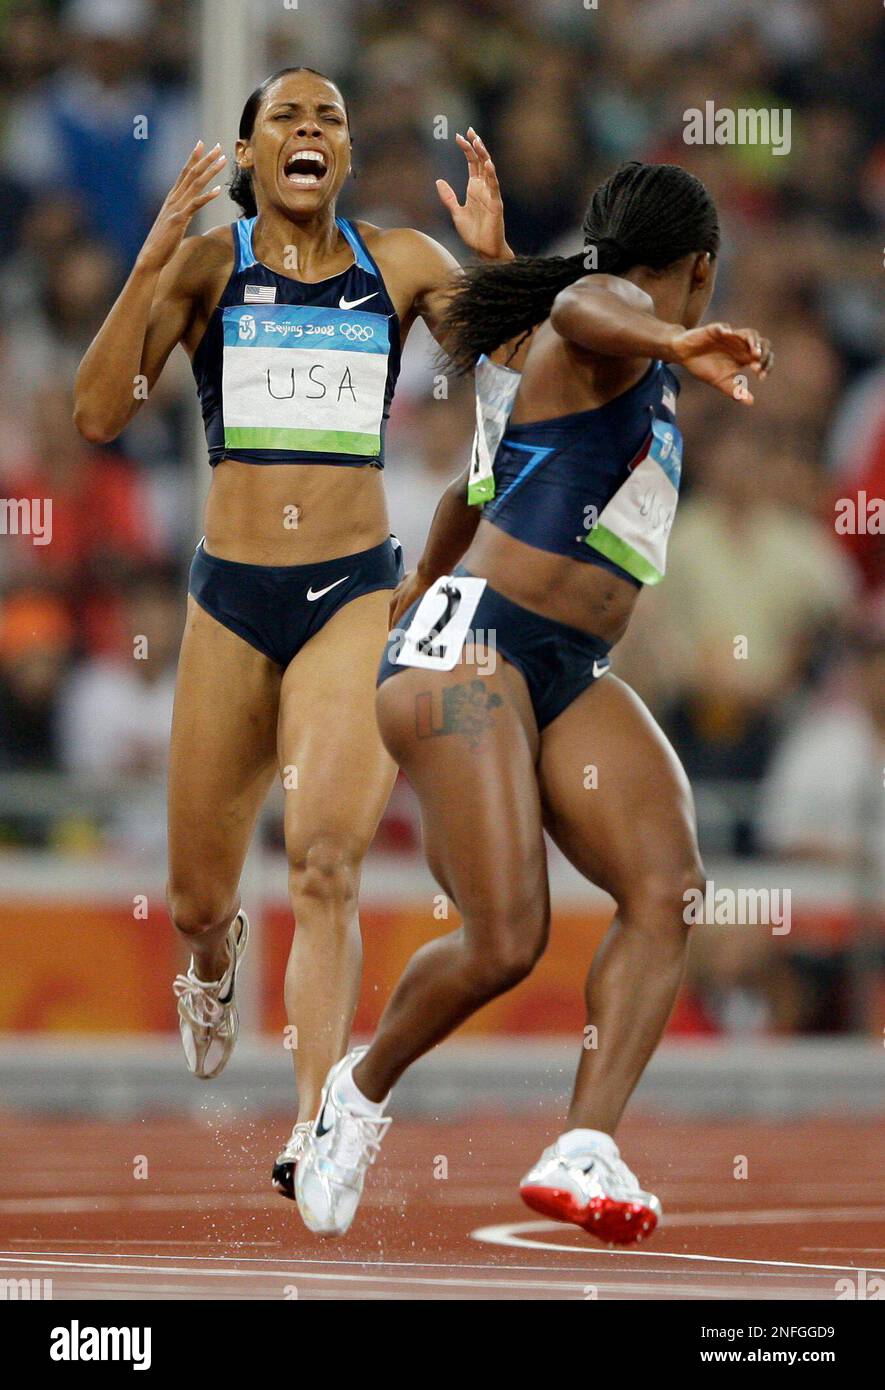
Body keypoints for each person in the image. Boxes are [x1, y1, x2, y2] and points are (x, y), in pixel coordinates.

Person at [294, 161, 773, 1243]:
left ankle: (585, 1142)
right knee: (507, 938)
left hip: (555, 665)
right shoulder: (620, 330)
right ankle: (354, 1097)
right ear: (700, 272)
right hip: (468, 654)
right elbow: (583, 307)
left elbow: (484, 472)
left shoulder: (573, 348)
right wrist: (675, 337)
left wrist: (417, 577)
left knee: (667, 883)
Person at [73, 66, 511, 1194]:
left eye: (331, 120)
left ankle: (319, 1121)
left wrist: (500, 264)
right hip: (229, 602)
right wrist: (153, 253)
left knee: (324, 860)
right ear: (253, 155)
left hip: (354, 593)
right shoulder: (210, 267)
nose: (311, 132)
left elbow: (516, 371)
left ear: (346, 156)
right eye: (288, 119)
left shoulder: (403, 262)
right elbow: (97, 411)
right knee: (195, 900)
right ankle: (209, 967)